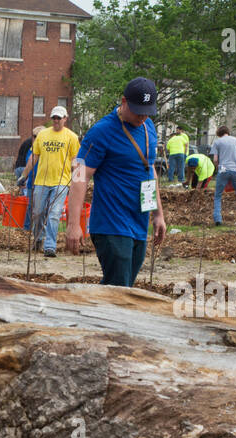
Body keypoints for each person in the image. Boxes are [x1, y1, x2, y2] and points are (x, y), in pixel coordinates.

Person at [66, 77, 167, 288]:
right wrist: (74, 224)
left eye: (147, 111)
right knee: (118, 287)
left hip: (138, 222)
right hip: (111, 223)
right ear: (123, 101)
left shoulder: (149, 128)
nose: (142, 116)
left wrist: (158, 214)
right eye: (137, 110)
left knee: (125, 286)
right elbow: (79, 174)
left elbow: (149, 172)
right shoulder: (102, 131)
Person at [28, 106, 79, 257]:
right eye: (54, 118)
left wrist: (79, 181)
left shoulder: (72, 137)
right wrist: (24, 175)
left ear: (65, 118)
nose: (56, 121)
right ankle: (38, 238)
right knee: (37, 213)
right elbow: (34, 156)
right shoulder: (43, 135)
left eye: (59, 118)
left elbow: (77, 160)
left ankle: (50, 246)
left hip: (61, 182)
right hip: (42, 180)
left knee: (54, 213)